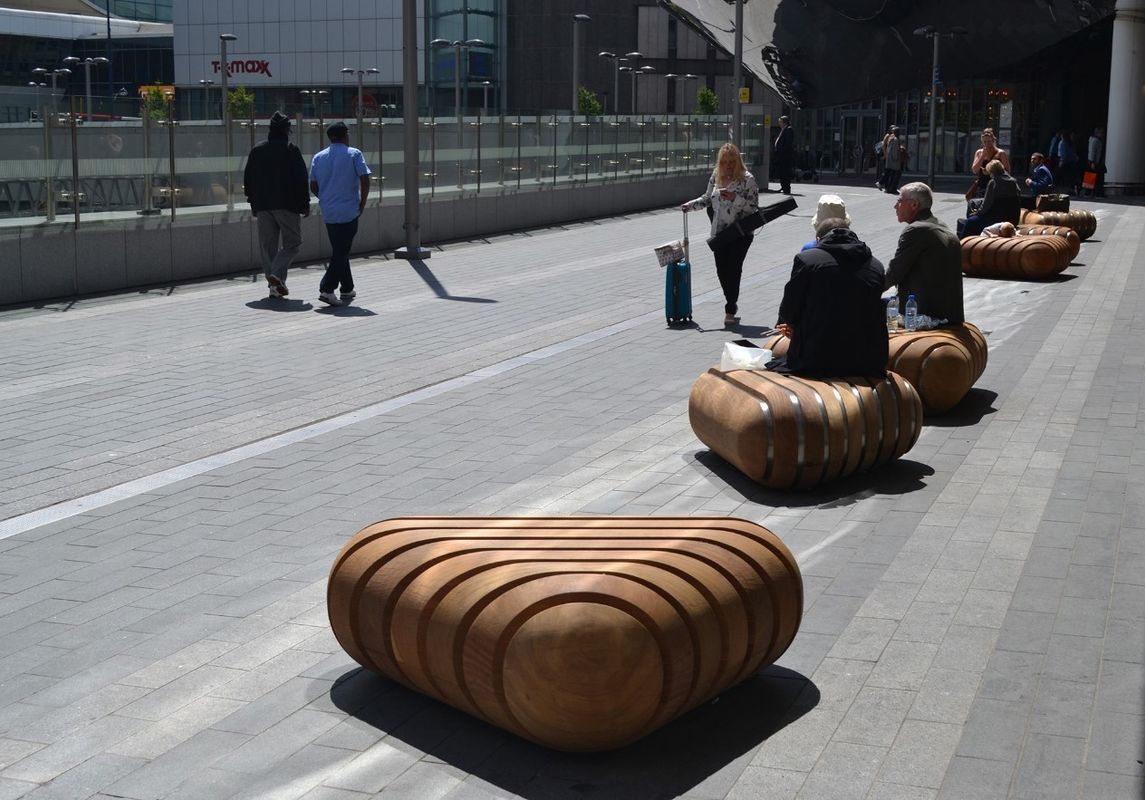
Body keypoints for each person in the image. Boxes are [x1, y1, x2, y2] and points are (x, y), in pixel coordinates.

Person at [769, 217, 888, 378]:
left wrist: (794, 327)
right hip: (868, 360)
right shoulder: (876, 265)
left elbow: (789, 311)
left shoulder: (807, 260)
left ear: (818, 239)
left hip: (817, 358)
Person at [681, 141, 760, 326]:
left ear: (738, 161)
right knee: (721, 270)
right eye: (724, 162)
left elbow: (753, 207)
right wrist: (690, 205)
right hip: (720, 232)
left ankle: (730, 308)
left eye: (732, 161)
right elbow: (707, 198)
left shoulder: (747, 179)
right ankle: (731, 299)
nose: (729, 166)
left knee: (734, 268)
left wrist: (735, 198)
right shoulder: (716, 176)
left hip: (741, 233)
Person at [243, 111, 310, 298]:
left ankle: (274, 286)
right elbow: (301, 178)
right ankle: (276, 275)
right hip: (287, 205)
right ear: (287, 130)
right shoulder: (291, 149)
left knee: (268, 246)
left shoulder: (257, 150)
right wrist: (304, 203)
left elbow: (248, 178)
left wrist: (252, 201)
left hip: (263, 205)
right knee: (293, 243)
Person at [310, 121, 371, 306]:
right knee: (341, 251)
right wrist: (362, 203)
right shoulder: (354, 154)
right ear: (345, 135)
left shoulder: (318, 157)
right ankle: (327, 289)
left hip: (329, 211)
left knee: (340, 248)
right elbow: (365, 179)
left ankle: (347, 287)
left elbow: (313, 185)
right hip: (348, 210)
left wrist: (325, 198)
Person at [885, 182, 964, 325]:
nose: (895, 206)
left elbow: (893, 274)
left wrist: (866, 290)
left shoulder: (915, 230)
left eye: (899, 201)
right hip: (951, 313)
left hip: (927, 316)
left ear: (914, 205)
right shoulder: (942, 226)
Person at [958, 159, 1020, 238]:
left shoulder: (993, 182)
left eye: (990, 173)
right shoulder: (1013, 181)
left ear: (992, 172)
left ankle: (963, 242)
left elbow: (986, 205)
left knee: (970, 222)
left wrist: (976, 213)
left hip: (996, 218)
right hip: (1012, 218)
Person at [968, 128, 1011, 199]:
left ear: (993, 141)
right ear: (982, 142)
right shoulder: (979, 153)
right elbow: (975, 170)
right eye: (984, 142)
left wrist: (992, 171)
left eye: (989, 141)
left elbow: (1008, 172)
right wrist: (982, 156)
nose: (987, 144)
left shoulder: (1001, 153)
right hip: (982, 187)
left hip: (997, 187)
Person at [773, 115, 795, 195]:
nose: (779, 123)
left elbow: (788, 143)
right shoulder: (783, 129)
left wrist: (782, 151)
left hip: (785, 156)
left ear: (784, 122)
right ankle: (783, 186)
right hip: (781, 155)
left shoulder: (788, 129)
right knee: (782, 171)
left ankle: (786, 188)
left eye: (780, 122)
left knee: (785, 172)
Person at [882, 125, 905, 194]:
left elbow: (889, 149)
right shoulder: (895, 140)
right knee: (895, 175)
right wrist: (896, 158)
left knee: (891, 174)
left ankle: (889, 188)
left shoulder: (891, 138)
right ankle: (892, 188)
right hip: (894, 161)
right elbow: (894, 151)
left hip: (890, 160)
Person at [1056, 130, 1079, 194]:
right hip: (1072, 162)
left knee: (1062, 176)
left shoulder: (1063, 143)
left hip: (1065, 162)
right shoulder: (1071, 143)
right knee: (1070, 177)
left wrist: (1062, 161)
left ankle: (1064, 189)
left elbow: (1063, 154)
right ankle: (1071, 190)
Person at [1086, 126, 1105, 196]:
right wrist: (1092, 162)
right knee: (1097, 177)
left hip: (1093, 161)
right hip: (1094, 161)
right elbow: (1092, 151)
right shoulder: (1095, 141)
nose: (1102, 134)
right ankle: (1095, 193)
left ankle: (1089, 192)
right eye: (1101, 133)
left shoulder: (1094, 140)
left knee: (1091, 177)